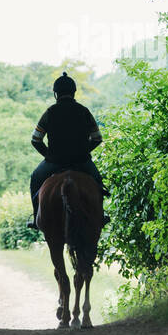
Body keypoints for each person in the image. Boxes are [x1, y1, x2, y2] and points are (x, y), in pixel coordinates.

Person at [27, 71, 110, 228]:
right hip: (82, 162)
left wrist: (50, 156)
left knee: (35, 179)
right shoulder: (84, 111)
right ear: (74, 92)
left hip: (54, 163)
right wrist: (84, 151)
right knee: (98, 184)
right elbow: (97, 138)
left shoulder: (50, 112)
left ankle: (36, 218)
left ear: (56, 93)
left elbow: (35, 139)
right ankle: (101, 214)